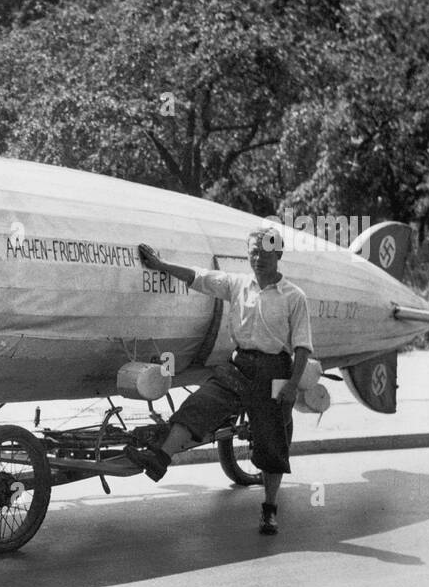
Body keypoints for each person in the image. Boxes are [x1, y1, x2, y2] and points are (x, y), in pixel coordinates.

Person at [127, 229, 314, 536]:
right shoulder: (238, 284)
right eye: (253, 253)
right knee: (200, 404)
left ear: (278, 255)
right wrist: (161, 265)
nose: (258, 259)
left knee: (272, 441)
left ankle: (269, 509)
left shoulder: (294, 297)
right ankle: (160, 459)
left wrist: (292, 386)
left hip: (276, 371)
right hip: (239, 364)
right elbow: (199, 278)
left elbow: (303, 347)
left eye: (265, 254)